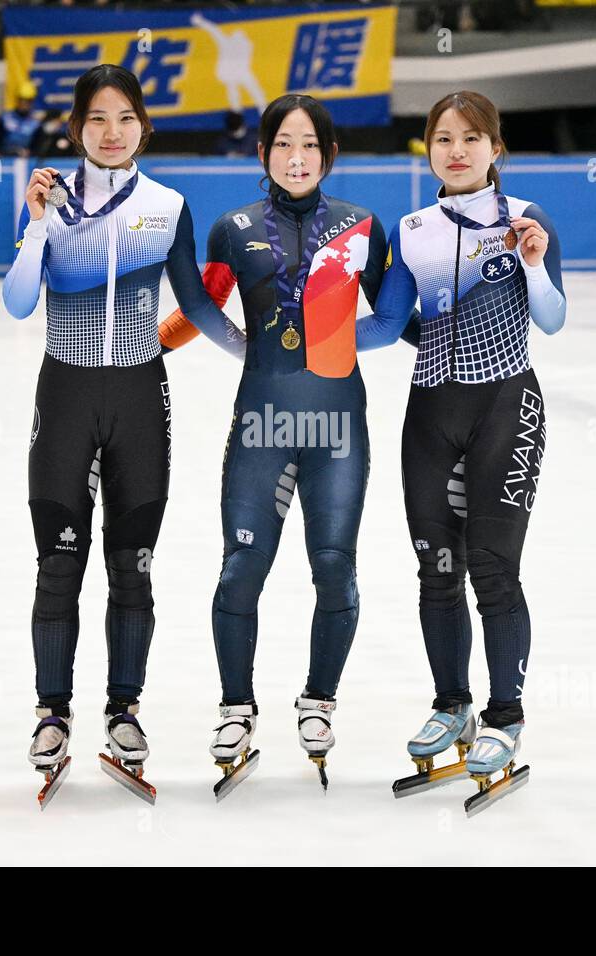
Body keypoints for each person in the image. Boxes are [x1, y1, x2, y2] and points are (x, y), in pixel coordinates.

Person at [1, 64, 245, 806]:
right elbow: (17, 303)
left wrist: (254, 353)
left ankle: (124, 711)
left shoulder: (169, 206)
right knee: (58, 564)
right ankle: (51, 715)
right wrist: (36, 223)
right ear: (76, 128)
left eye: (126, 118)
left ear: (144, 126)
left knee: (131, 564)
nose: (111, 132)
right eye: (97, 119)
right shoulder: (49, 201)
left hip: (140, 396)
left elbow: (197, 305)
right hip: (67, 395)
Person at [158, 94, 415, 793]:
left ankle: (317, 701)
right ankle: (236, 708)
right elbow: (201, 307)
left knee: (334, 568)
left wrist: (337, 341)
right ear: (263, 152)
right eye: (282, 144)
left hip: (337, 425)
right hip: (261, 423)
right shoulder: (230, 229)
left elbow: (392, 319)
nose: (296, 157)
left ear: (329, 155)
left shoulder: (363, 227)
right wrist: (155, 348)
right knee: (242, 568)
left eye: (309, 145)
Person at [355, 90, 566, 803]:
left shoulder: (523, 220)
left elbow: (554, 319)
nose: (456, 149)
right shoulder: (410, 229)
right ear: (427, 149)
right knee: (435, 567)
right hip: (431, 412)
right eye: (443, 138)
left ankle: (505, 716)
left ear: (495, 149)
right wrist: (307, 327)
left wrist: (534, 264)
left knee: (493, 567)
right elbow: (390, 326)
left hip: (506, 404)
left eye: (471, 138)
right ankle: (454, 705)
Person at [0, 82, 42, 158]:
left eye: (28, 101)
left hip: (26, 159)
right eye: (22, 100)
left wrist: (30, 152)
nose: (25, 104)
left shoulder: (35, 123)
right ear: (18, 100)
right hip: (5, 157)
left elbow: (38, 146)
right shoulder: (5, 118)